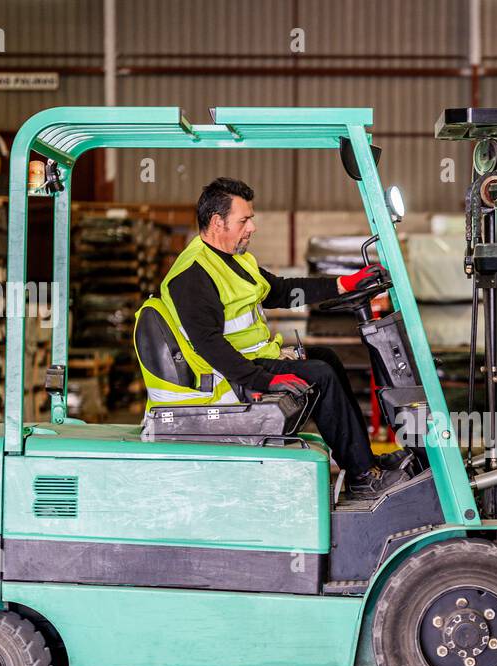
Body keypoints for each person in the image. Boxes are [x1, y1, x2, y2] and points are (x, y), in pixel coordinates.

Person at [145, 177, 410, 498]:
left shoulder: (235, 260)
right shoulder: (192, 275)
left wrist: (344, 283)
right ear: (218, 222)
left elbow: (283, 292)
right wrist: (262, 381)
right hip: (219, 381)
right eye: (244, 220)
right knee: (320, 376)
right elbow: (209, 345)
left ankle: (363, 460)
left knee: (325, 356)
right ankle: (362, 476)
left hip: (245, 365)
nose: (252, 227)